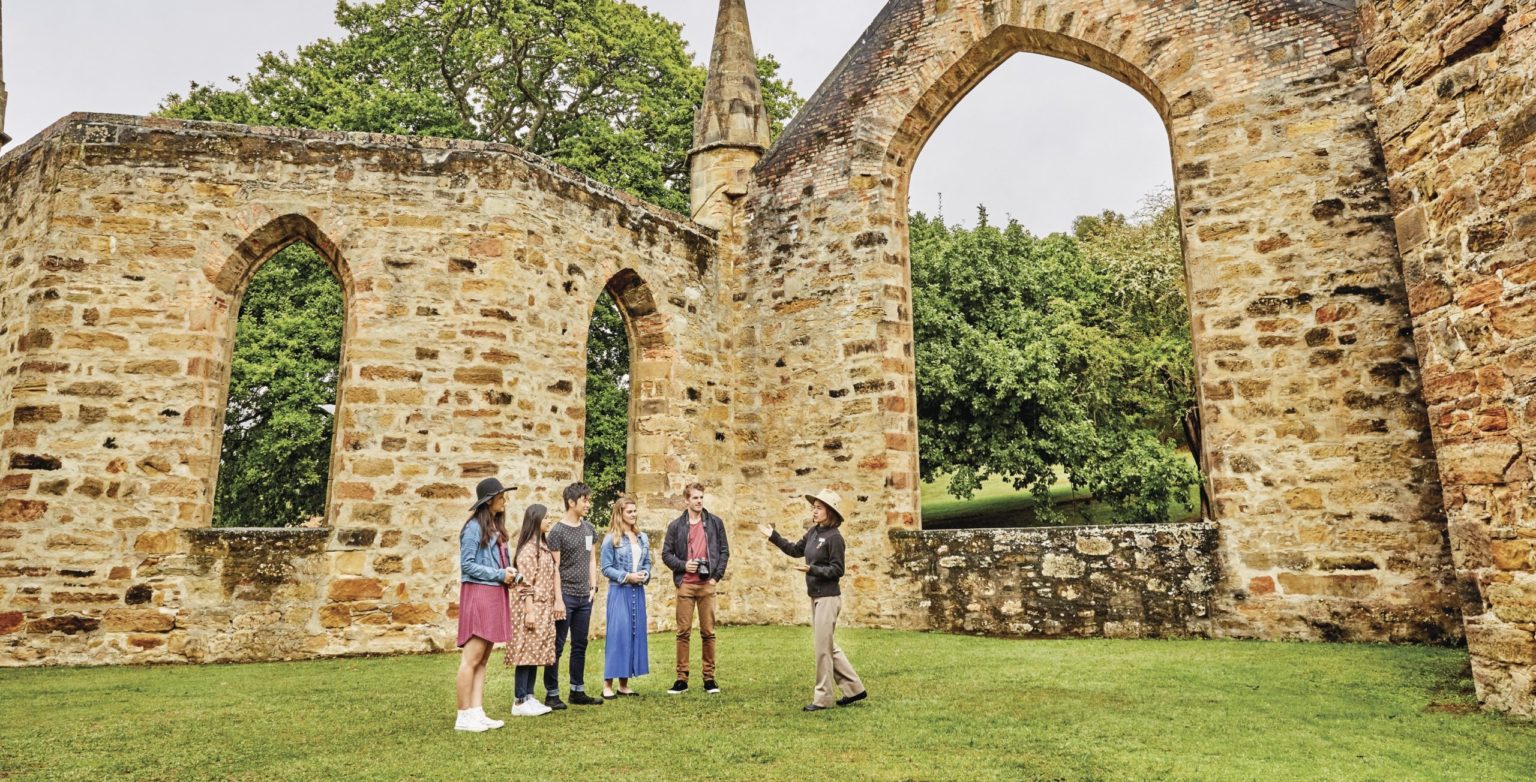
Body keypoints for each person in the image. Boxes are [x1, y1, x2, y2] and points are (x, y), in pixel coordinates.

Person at [758, 489, 868, 712]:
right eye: (813, 507)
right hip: (816, 597)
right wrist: (773, 536)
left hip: (828, 598)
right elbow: (795, 550)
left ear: (830, 512)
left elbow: (838, 570)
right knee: (828, 646)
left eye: (818, 508)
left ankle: (822, 699)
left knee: (822, 650)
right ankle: (855, 689)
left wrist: (812, 569)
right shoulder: (814, 532)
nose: (814, 511)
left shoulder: (835, 538)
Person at [455, 477, 516, 732]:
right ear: (489, 500)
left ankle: (477, 711)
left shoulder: (496, 528)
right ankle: (463, 715)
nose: (505, 500)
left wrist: (512, 574)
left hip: (494, 595)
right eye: (501, 496)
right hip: (480, 595)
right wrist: (499, 575)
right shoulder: (473, 528)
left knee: (482, 660)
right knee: (471, 658)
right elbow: (467, 565)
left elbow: (500, 564)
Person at [661, 482, 729, 695]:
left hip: (707, 585)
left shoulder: (715, 523)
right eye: (695, 498)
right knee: (683, 632)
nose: (699, 501)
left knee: (708, 632)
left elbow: (724, 551)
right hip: (686, 585)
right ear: (686, 500)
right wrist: (683, 566)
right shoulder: (676, 526)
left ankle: (709, 679)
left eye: (701, 497)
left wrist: (715, 577)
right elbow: (666, 554)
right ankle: (681, 679)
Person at [543, 483, 603, 708]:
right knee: (557, 645)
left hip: (584, 597)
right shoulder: (557, 532)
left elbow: (591, 559)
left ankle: (577, 691)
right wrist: (558, 599)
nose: (588, 504)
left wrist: (592, 587)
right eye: (585, 500)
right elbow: (554, 568)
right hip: (565, 595)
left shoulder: (589, 529)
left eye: (588, 500)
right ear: (571, 502)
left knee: (580, 644)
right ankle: (552, 693)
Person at [506, 503, 562, 717]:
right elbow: (525, 583)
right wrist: (529, 611)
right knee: (525, 651)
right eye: (546, 517)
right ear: (535, 520)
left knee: (536, 651)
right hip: (531, 606)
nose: (549, 520)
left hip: (543, 607)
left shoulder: (543, 547)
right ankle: (519, 699)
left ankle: (529, 696)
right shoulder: (528, 550)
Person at [599, 494, 651, 698]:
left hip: (637, 592)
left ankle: (624, 684)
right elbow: (606, 568)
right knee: (617, 635)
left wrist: (644, 574)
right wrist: (627, 576)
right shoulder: (611, 539)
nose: (634, 515)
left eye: (635, 511)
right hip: (619, 591)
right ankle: (607, 685)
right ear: (620, 514)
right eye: (629, 512)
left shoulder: (642, 538)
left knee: (633, 633)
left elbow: (647, 563)